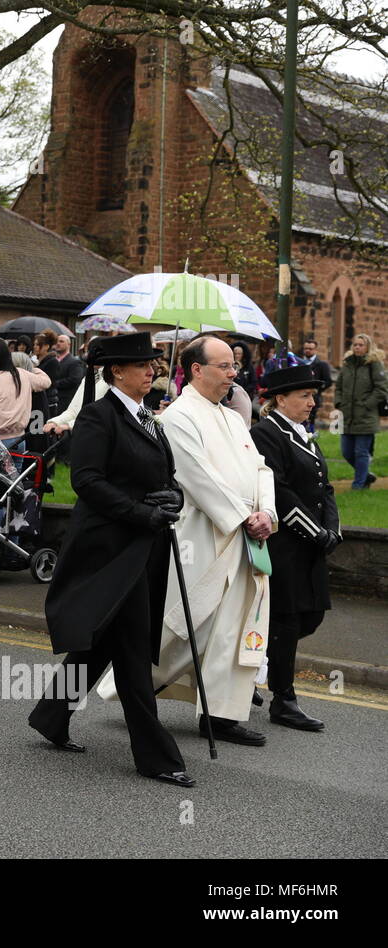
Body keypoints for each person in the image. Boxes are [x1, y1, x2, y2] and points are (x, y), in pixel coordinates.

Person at [28, 333, 193, 786]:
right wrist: (142, 511)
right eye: (143, 365)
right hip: (108, 550)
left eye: (154, 365)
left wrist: (171, 498)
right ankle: (156, 757)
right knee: (133, 649)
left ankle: (50, 715)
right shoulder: (99, 417)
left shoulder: (150, 419)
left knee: (103, 642)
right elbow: (87, 481)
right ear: (116, 371)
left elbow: (167, 476)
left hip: (144, 546)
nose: (152, 370)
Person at [99, 335, 277, 748]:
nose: (234, 373)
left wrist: (265, 512)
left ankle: (222, 715)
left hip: (245, 539)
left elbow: (260, 468)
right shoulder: (178, 416)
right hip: (207, 537)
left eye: (234, 366)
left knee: (231, 630)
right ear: (196, 369)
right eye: (225, 366)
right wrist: (241, 516)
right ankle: (128, 688)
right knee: (182, 629)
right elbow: (196, 478)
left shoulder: (233, 418)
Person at [251, 365, 341, 732]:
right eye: (304, 396)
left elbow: (325, 487)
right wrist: (314, 532)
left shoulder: (304, 435)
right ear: (281, 399)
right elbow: (280, 492)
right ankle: (283, 700)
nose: (313, 402)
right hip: (286, 544)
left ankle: (253, 670)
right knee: (286, 621)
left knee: (311, 616)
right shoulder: (266, 434)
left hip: (312, 545)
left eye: (313, 395)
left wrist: (332, 529)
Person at [0, 337, 51, 450]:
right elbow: (46, 382)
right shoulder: (22, 374)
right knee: (17, 468)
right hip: (19, 439)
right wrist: (32, 367)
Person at [333, 333, 387, 489]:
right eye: (355, 344)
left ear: (368, 347)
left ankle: (358, 485)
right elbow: (339, 387)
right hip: (347, 416)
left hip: (366, 416)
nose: (357, 347)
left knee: (361, 452)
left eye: (361, 345)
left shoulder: (374, 364)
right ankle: (366, 475)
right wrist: (338, 402)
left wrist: (366, 405)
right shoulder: (347, 364)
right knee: (346, 452)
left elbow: (381, 389)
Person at [297, 338, 333, 431]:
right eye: (306, 348)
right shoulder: (297, 362)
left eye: (310, 348)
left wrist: (318, 389)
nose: (307, 350)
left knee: (310, 418)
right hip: (299, 395)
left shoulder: (321, 365)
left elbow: (328, 381)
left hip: (314, 397)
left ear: (315, 350)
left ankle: (310, 436)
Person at [52, 334, 85, 412]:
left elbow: (75, 379)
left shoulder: (74, 362)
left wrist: (55, 384)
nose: (58, 343)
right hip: (53, 401)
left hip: (66, 402)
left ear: (69, 344)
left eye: (61, 341)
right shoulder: (53, 360)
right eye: (57, 341)